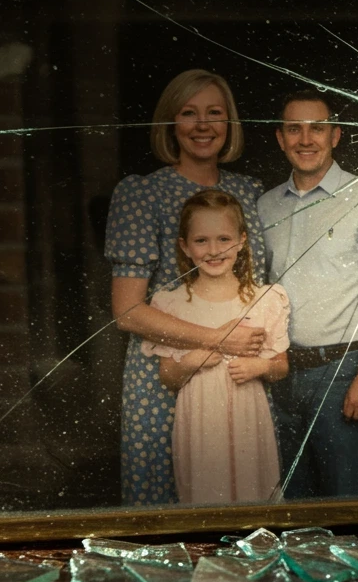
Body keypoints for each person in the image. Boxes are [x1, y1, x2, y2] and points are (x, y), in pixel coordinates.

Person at [105, 69, 268, 506]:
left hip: (236, 375)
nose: (202, 125)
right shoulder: (141, 195)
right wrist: (217, 340)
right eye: (189, 113)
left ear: (229, 123)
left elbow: (260, 287)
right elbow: (127, 311)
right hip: (165, 376)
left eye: (214, 113)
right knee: (165, 502)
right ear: (169, 124)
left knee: (236, 495)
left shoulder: (249, 193)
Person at [257, 90, 358, 498]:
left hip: (339, 373)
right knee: (289, 504)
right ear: (280, 138)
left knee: (346, 503)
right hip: (278, 374)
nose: (306, 139)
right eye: (294, 129)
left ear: (336, 136)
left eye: (317, 128)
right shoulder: (264, 207)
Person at [143, 190, 290, 504]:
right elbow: (168, 376)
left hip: (248, 418)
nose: (213, 250)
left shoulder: (265, 299)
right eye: (201, 241)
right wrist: (190, 361)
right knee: (205, 495)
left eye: (224, 239)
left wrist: (260, 366)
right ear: (184, 245)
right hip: (200, 422)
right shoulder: (173, 305)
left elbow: (281, 365)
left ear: (241, 241)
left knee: (253, 496)